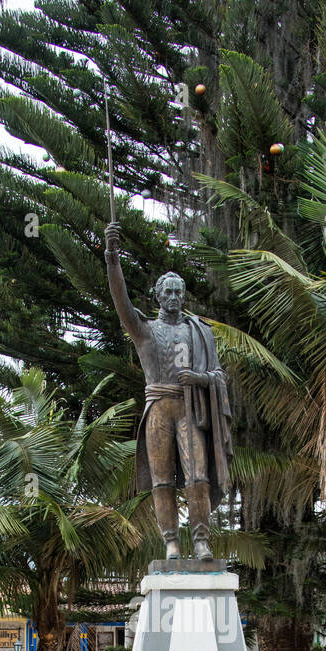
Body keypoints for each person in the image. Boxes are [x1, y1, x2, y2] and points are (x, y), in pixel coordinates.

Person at [104, 220, 233, 561]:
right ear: (158, 296)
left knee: (198, 475)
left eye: (179, 292)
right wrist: (112, 258)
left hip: (191, 409)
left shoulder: (198, 332)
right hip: (159, 409)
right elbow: (120, 299)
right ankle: (171, 542)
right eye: (168, 292)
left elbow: (218, 373)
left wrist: (201, 379)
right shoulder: (144, 330)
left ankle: (202, 540)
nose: (174, 297)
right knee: (162, 481)